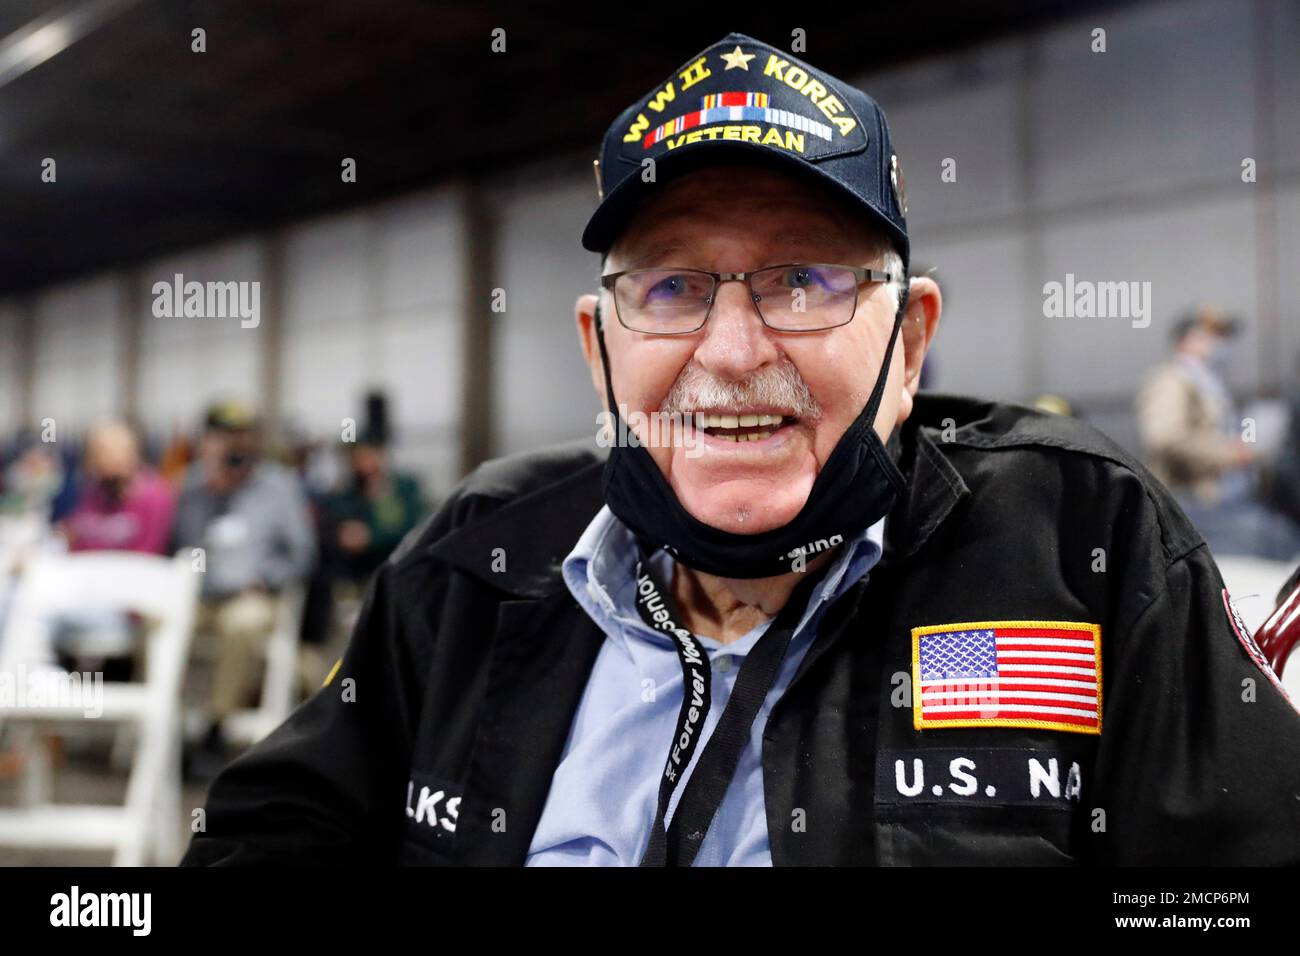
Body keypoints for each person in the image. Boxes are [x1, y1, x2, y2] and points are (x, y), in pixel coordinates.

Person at [183, 33, 1300, 866]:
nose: (729, 349)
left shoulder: (1076, 544)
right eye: (671, 285)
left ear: (908, 341)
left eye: (802, 280)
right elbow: (271, 830)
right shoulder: (481, 557)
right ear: (599, 347)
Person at [171, 400, 315, 775]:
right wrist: (213, 491)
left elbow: (303, 554)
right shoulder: (191, 486)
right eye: (223, 438)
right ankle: (168, 723)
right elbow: (178, 546)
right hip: (199, 598)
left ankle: (214, 728)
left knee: (242, 624)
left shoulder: (278, 486)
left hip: (253, 597)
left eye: (240, 438)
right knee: (160, 627)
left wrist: (267, 578)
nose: (233, 448)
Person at [1136, 306, 1300, 560]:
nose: (1219, 343)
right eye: (1210, 334)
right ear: (1185, 340)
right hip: (1194, 501)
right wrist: (1233, 452)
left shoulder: (1207, 381)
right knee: (1279, 541)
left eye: (1222, 336)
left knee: (1280, 537)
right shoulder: (1171, 380)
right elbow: (1164, 437)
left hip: (1226, 498)